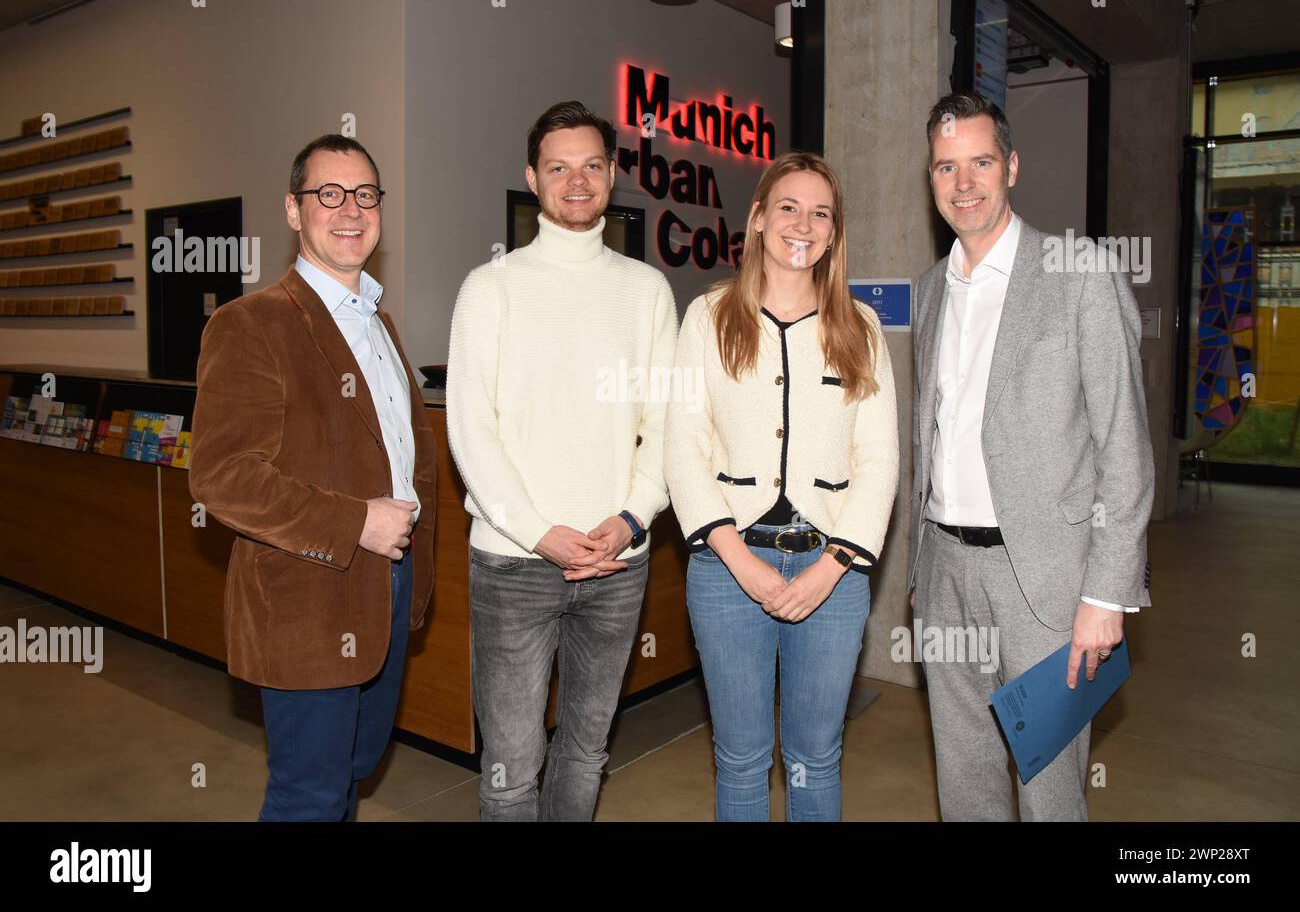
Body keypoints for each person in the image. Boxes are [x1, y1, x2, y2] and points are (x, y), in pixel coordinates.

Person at [908, 92, 1153, 821]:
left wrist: (1107, 594)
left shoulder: (1080, 273)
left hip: (1047, 583)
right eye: (946, 167)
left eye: (980, 162)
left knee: (1048, 789)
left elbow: (1124, 444)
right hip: (947, 572)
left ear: (1010, 166)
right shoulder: (930, 290)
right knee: (964, 778)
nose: (964, 183)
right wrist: (923, 565)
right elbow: (934, 434)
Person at [189, 134, 438, 821]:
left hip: (386, 589)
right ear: (294, 212)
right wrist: (357, 520)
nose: (349, 209)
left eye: (364, 194)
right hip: (307, 602)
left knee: (348, 781)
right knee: (309, 796)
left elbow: (406, 454)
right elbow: (222, 475)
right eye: (328, 194)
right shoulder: (251, 324)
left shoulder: (379, 323)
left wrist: (415, 580)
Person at [446, 101, 677, 821]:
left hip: (616, 565)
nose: (576, 182)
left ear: (612, 176)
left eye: (591, 166)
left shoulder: (647, 291)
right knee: (512, 773)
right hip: (514, 567)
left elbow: (668, 424)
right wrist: (537, 530)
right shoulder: (491, 288)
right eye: (558, 167)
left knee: (584, 753)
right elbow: (469, 429)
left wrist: (632, 517)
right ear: (532, 178)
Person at [664, 151, 899, 821]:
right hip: (726, 566)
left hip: (834, 568)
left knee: (815, 756)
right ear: (759, 218)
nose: (804, 224)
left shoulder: (861, 328)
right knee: (740, 760)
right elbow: (684, 450)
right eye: (789, 207)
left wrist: (831, 567)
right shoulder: (706, 318)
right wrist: (740, 560)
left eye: (821, 213)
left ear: (834, 232)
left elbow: (880, 462)